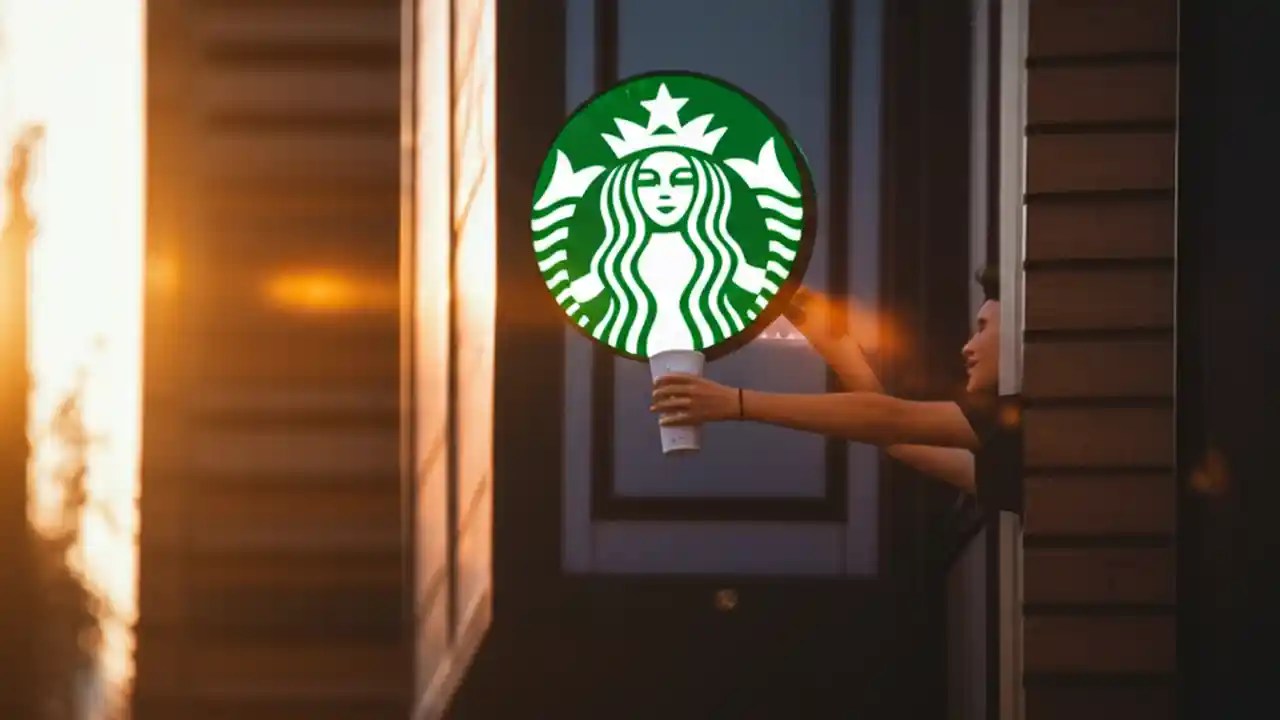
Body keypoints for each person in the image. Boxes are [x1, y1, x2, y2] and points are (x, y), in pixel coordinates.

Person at [650, 266, 1021, 514]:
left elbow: (890, 421)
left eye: (983, 327)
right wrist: (840, 352)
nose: (968, 346)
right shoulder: (1007, 453)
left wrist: (735, 403)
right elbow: (896, 438)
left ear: (1021, 328)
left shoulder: (1017, 419)